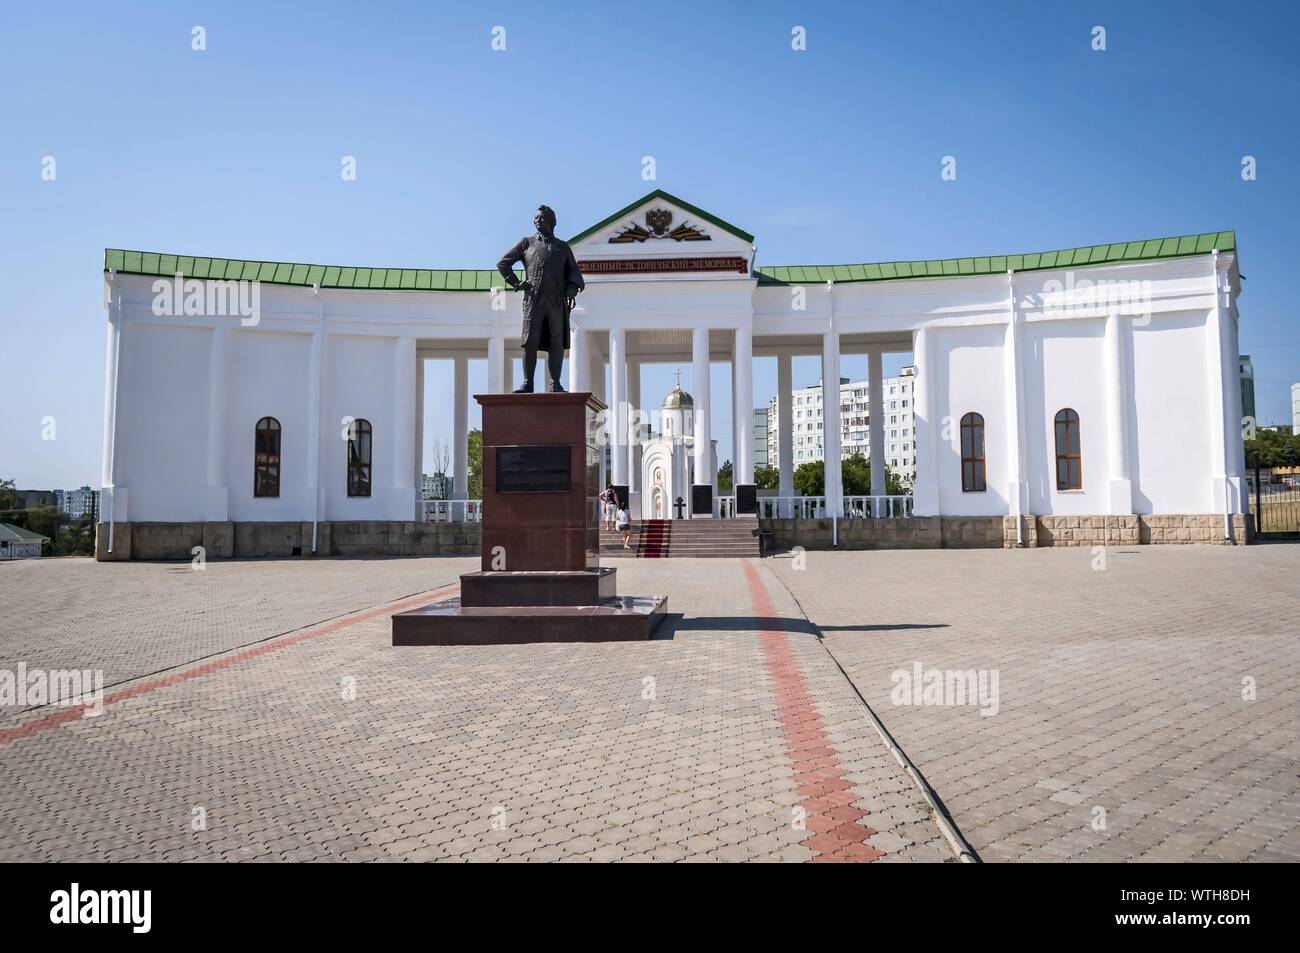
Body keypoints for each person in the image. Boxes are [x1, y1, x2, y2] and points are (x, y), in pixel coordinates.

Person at [495, 205, 585, 393]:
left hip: (556, 302)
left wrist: (570, 289)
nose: (537, 221)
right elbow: (503, 263)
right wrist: (516, 283)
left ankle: (556, 383)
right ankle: (528, 383)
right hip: (534, 300)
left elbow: (575, 274)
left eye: (541, 218)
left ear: (552, 222)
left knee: (556, 342)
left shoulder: (562, 247)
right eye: (535, 218)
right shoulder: (526, 243)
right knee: (530, 342)